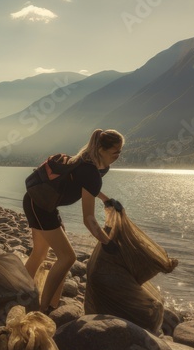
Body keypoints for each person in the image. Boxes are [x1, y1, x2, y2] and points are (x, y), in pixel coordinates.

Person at [24, 129, 125, 313]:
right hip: (39, 205)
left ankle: (21, 294)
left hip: (38, 201)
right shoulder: (91, 170)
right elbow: (88, 219)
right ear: (102, 149)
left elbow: (88, 187)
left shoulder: (92, 162)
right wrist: (106, 242)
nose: (118, 155)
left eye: (120, 151)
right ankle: (42, 308)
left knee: (39, 253)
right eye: (115, 151)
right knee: (67, 257)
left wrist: (105, 199)